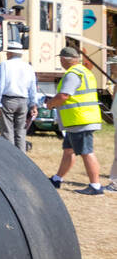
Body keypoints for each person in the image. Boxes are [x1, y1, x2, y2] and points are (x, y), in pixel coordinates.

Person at [43, 47, 105, 195]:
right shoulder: (84, 71)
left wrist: (50, 103)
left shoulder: (73, 74)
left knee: (86, 152)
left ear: (65, 59)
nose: (60, 61)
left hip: (79, 119)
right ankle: (57, 179)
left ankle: (95, 186)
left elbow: (64, 95)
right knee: (68, 151)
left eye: (60, 59)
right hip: (80, 119)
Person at [0, 48, 39, 151]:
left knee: (7, 131)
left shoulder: (4, 64)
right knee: (21, 132)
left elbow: (0, 85)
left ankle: (9, 157)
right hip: (23, 101)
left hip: (8, 100)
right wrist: (33, 105)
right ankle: (21, 157)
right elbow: (33, 87)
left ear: (10, 53)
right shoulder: (28, 67)